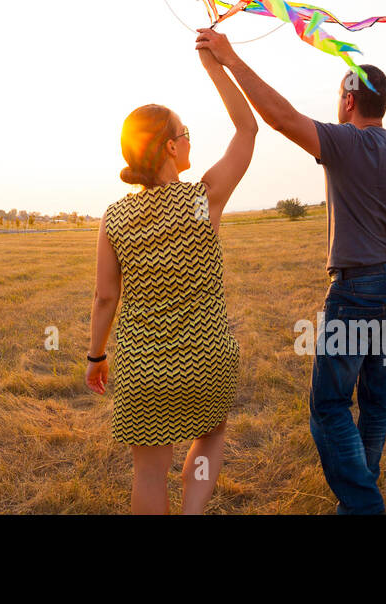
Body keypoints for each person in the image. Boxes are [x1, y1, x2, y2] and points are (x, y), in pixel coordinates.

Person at [194, 27, 386, 514]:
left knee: (328, 407)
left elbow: (280, 118)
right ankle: (358, 501)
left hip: (357, 292)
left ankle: (365, 506)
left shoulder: (344, 142)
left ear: (348, 100)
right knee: (375, 403)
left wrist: (230, 58)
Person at [86, 45, 257, 514]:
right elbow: (247, 129)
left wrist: (96, 356)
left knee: (148, 471)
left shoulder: (114, 217)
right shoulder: (204, 199)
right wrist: (214, 65)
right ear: (169, 147)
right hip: (207, 358)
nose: (189, 141)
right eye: (185, 134)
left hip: (143, 368)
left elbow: (105, 297)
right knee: (209, 437)